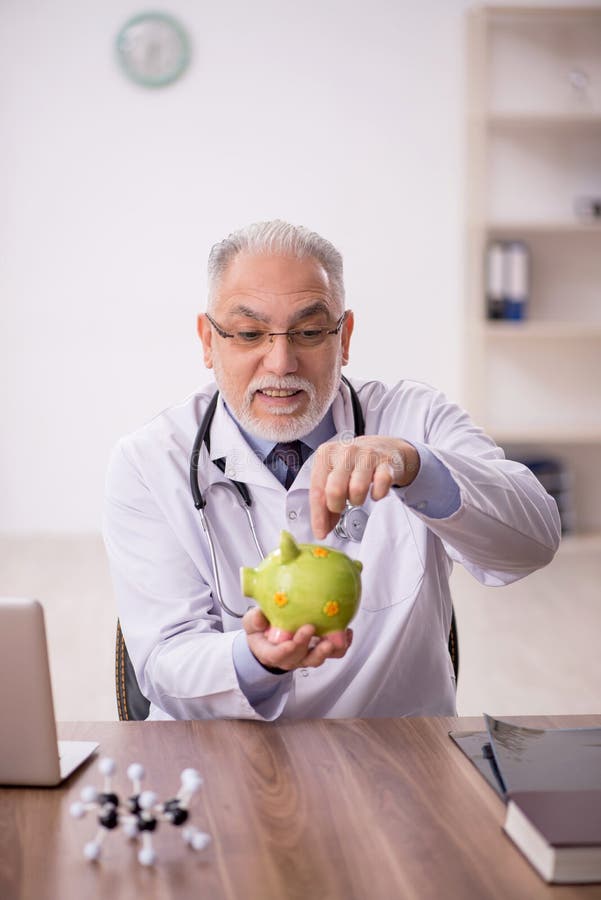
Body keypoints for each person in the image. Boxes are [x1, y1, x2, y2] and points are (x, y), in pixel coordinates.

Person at [103, 219, 560, 721]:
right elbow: (164, 663)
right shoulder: (149, 461)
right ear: (208, 341)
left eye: (308, 332)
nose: (281, 362)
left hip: (401, 755)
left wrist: (415, 465)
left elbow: (533, 540)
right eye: (250, 334)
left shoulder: (416, 418)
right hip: (223, 756)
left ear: (344, 337)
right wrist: (255, 660)